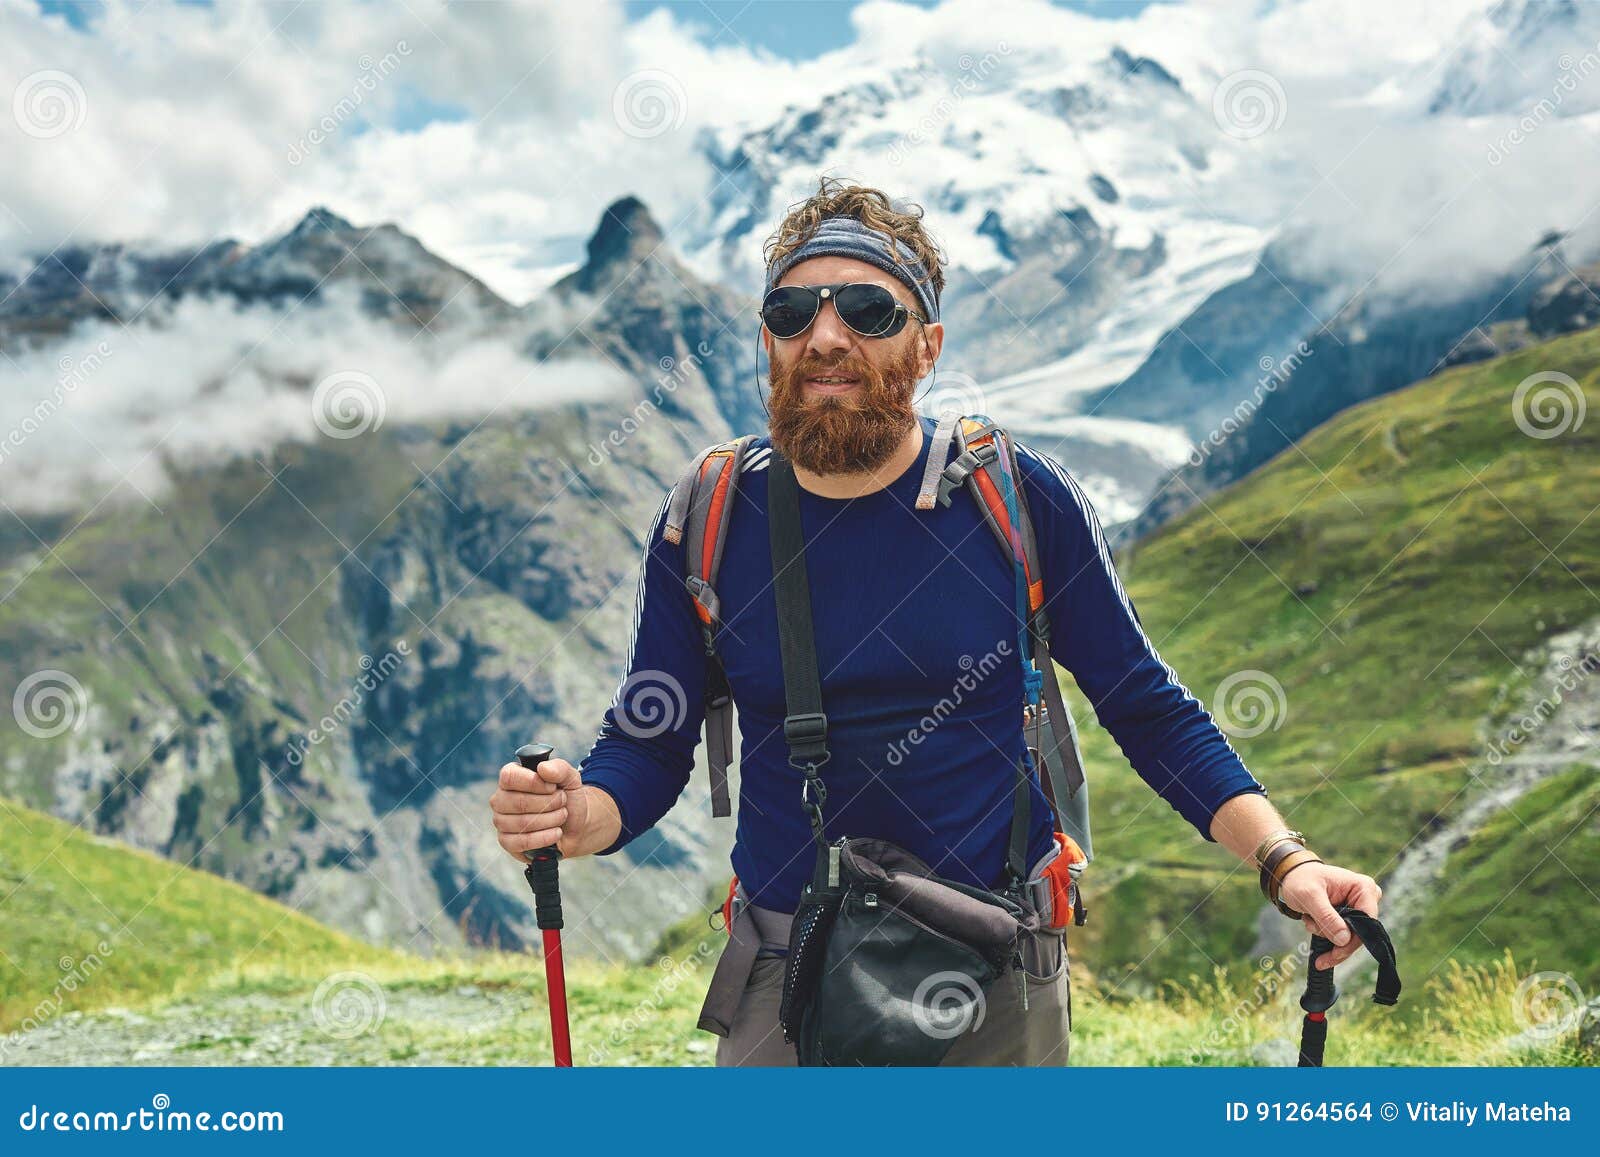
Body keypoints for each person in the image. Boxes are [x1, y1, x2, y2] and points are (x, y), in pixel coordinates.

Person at [488, 176, 1382, 1066]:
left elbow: (1146, 706)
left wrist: (1284, 859)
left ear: (927, 346)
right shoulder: (712, 515)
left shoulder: (1018, 501)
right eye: (793, 310)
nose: (825, 335)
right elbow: (647, 742)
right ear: (768, 339)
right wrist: (576, 814)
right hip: (786, 967)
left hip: (996, 966)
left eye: (869, 311)